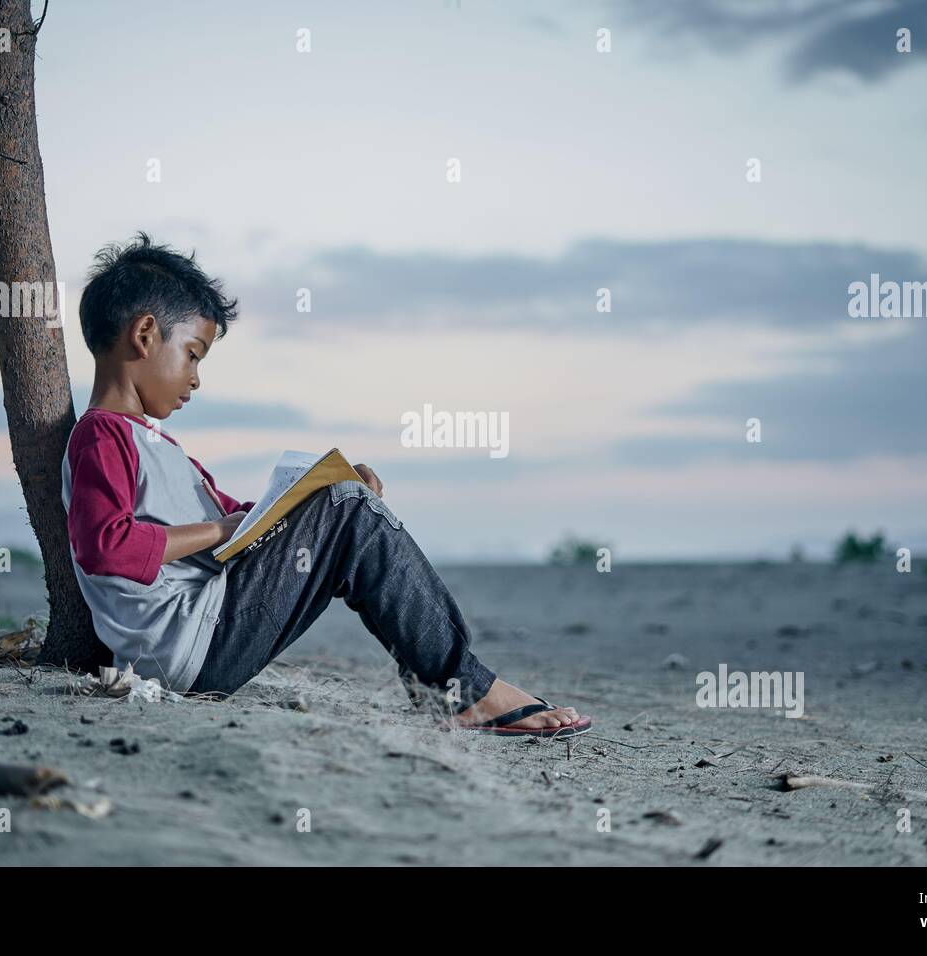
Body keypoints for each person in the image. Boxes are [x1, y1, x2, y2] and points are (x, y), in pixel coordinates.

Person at [60, 232, 591, 738]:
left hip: (204, 637)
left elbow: (251, 522)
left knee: (345, 506)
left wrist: (322, 494)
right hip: (192, 643)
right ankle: (465, 691)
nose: (196, 378)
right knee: (347, 511)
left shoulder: (159, 447)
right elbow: (106, 547)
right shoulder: (102, 435)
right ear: (145, 335)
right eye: (193, 354)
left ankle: (459, 685)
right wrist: (228, 528)